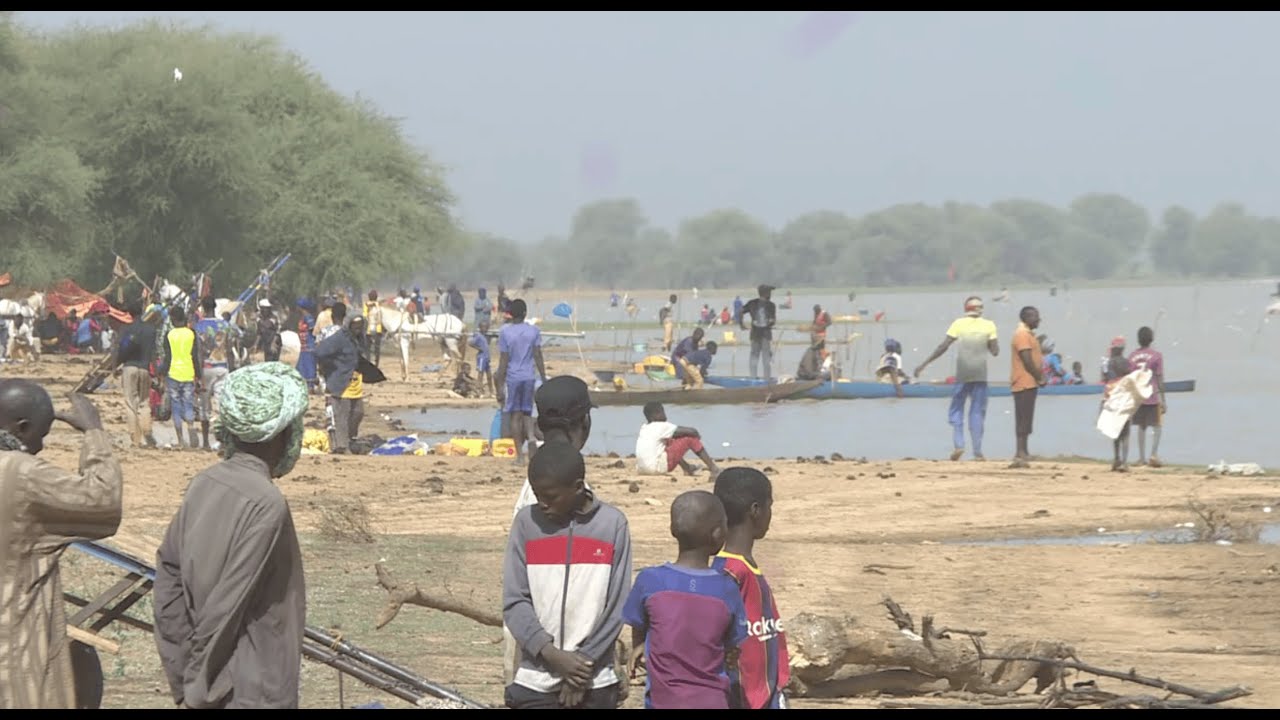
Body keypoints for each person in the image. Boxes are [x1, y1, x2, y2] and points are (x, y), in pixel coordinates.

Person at [153, 363, 308, 709]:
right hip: (250, 691)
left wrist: (182, 675)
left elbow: (168, 584)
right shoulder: (268, 504)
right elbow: (226, 607)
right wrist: (197, 690)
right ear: (282, 434)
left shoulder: (204, 483)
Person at [1, 384, 122, 709]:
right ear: (21, 428)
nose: (40, 447)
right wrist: (94, 433)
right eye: (41, 435)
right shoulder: (19, 473)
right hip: (14, 658)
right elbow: (103, 502)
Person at [503, 441, 632, 709]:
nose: (542, 504)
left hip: (595, 680)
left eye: (550, 497)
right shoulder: (526, 524)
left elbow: (617, 605)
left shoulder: (612, 525)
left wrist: (581, 668)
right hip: (535, 679)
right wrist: (551, 655)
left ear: (577, 487)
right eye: (537, 495)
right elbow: (515, 600)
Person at [505, 376, 600, 688]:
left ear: (540, 427)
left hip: (535, 643)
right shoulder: (564, 491)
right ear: (584, 423)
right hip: (552, 656)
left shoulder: (537, 481)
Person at [623, 491, 748, 709]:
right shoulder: (726, 589)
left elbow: (639, 626)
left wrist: (642, 645)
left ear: (673, 530)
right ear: (718, 533)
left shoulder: (650, 580)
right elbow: (732, 645)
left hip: (664, 702)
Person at [711, 468, 790, 710]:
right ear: (756, 510)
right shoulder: (730, 573)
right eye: (770, 506)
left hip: (769, 692)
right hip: (744, 698)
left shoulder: (745, 567)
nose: (771, 514)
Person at [913, 296, 999, 461]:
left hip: (963, 374)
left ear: (966, 309)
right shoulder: (989, 325)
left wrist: (924, 364)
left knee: (957, 409)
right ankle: (978, 451)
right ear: (980, 309)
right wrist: (987, 342)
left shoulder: (958, 324)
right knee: (977, 412)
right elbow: (995, 351)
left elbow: (943, 346)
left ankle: (959, 445)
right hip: (980, 374)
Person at [495, 299, 547, 464]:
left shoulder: (505, 333)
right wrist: (544, 377)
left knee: (515, 416)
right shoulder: (534, 331)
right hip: (529, 377)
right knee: (527, 413)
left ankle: (519, 456)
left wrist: (500, 385)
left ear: (510, 314)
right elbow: (538, 355)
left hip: (513, 378)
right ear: (525, 313)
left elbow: (504, 360)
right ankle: (531, 438)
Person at [315, 302, 364, 454]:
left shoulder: (359, 339)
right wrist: (331, 367)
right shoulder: (338, 338)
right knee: (341, 414)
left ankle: (348, 439)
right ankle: (342, 446)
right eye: (355, 327)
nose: (358, 329)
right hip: (339, 381)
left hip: (355, 382)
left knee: (357, 412)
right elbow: (320, 352)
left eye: (360, 327)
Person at [113, 301, 158, 448]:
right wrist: (156, 372)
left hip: (130, 367)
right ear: (143, 311)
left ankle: (135, 439)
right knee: (144, 402)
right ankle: (147, 430)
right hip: (145, 368)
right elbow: (153, 353)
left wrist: (115, 366)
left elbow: (121, 349)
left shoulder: (126, 330)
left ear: (129, 314)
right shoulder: (151, 330)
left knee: (130, 403)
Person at [635, 402, 721, 479]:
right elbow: (692, 431)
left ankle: (687, 468)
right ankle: (714, 469)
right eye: (662, 412)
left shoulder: (644, 427)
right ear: (656, 414)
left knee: (669, 442)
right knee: (690, 438)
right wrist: (697, 437)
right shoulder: (661, 425)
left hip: (641, 469)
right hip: (656, 468)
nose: (665, 415)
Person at [160, 305, 203, 450]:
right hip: (188, 373)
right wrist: (198, 375)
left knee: (176, 407)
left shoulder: (169, 335)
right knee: (188, 403)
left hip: (173, 374)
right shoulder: (191, 334)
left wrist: (161, 373)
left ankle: (180, 440)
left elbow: (167, 358)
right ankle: (191, 426)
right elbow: (195, 356)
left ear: (172, 318)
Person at [195, 297, 234, 450]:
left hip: (206, 368)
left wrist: (197, 374)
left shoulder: (199, 326)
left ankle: (205, 442)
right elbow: (230, 348)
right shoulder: (224, 325)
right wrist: (232, 368)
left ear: (203, 309)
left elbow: (198, 351)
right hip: (223, 367)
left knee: (204, 405)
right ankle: (222, 440)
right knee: (221, 405)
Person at [1010, 306, 1046, 468]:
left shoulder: (1028, 334)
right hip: (1023, 382)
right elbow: (1026, 359)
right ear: (1027, 318)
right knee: (1023, 418)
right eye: (1035, 317)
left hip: (1029, 382)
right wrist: (1039, 377)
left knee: (1027, 418)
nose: (1039, 320)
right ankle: (1020, 452)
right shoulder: (1022, 335)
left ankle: (1024, 450)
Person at [1127, 326, 1166, 467]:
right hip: (1152, 396)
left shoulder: (1131, 356)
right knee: (1157, 426)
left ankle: (1141, 458)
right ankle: (1153, 455)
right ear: (1151, 339)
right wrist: (1164, 399)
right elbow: (1160, 378)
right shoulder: (1157, 356)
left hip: (1138, 396)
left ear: (1138, 340)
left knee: (1141, 427)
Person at [1102, 336, 1133, 472]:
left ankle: (1116, 459)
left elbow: (1105, 379)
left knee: (1115, 431)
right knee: (1126, 433)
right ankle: (1125, 462)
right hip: (1125, 398)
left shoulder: (1108, 363)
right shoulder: (1127, 363)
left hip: (1112, 397)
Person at [740, 285, 778, 381]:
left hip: (754, 334)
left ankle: (753, 378)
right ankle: (766, 379)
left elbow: (740, 311)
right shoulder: (771, 305)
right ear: (766, 293)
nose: (770, 294)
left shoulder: (752, 303)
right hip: (766, 334)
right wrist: (770, 323)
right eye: (769, 292)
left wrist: (741, 324)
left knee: (754, 356)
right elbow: (772, 321)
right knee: (766, 357)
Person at [469, 322, 493, 397]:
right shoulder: (478, 336)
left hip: (487, 357)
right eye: (483, 327)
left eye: (486, 327)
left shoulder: (485, 336)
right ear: (480, 328)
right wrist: (479, 349)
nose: (485, 329)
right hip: (482, 357)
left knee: (489, 375)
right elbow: (470, 343)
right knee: (480, 374)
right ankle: (479, 390)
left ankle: (491, 391)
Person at [364, 290, 385, 367]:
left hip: (368, 330)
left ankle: (368, 362)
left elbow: (364, 316)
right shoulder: (378, 305)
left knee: (368, 348)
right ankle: (376, 364)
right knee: (377, 348)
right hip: (378, 329)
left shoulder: (366, 305)